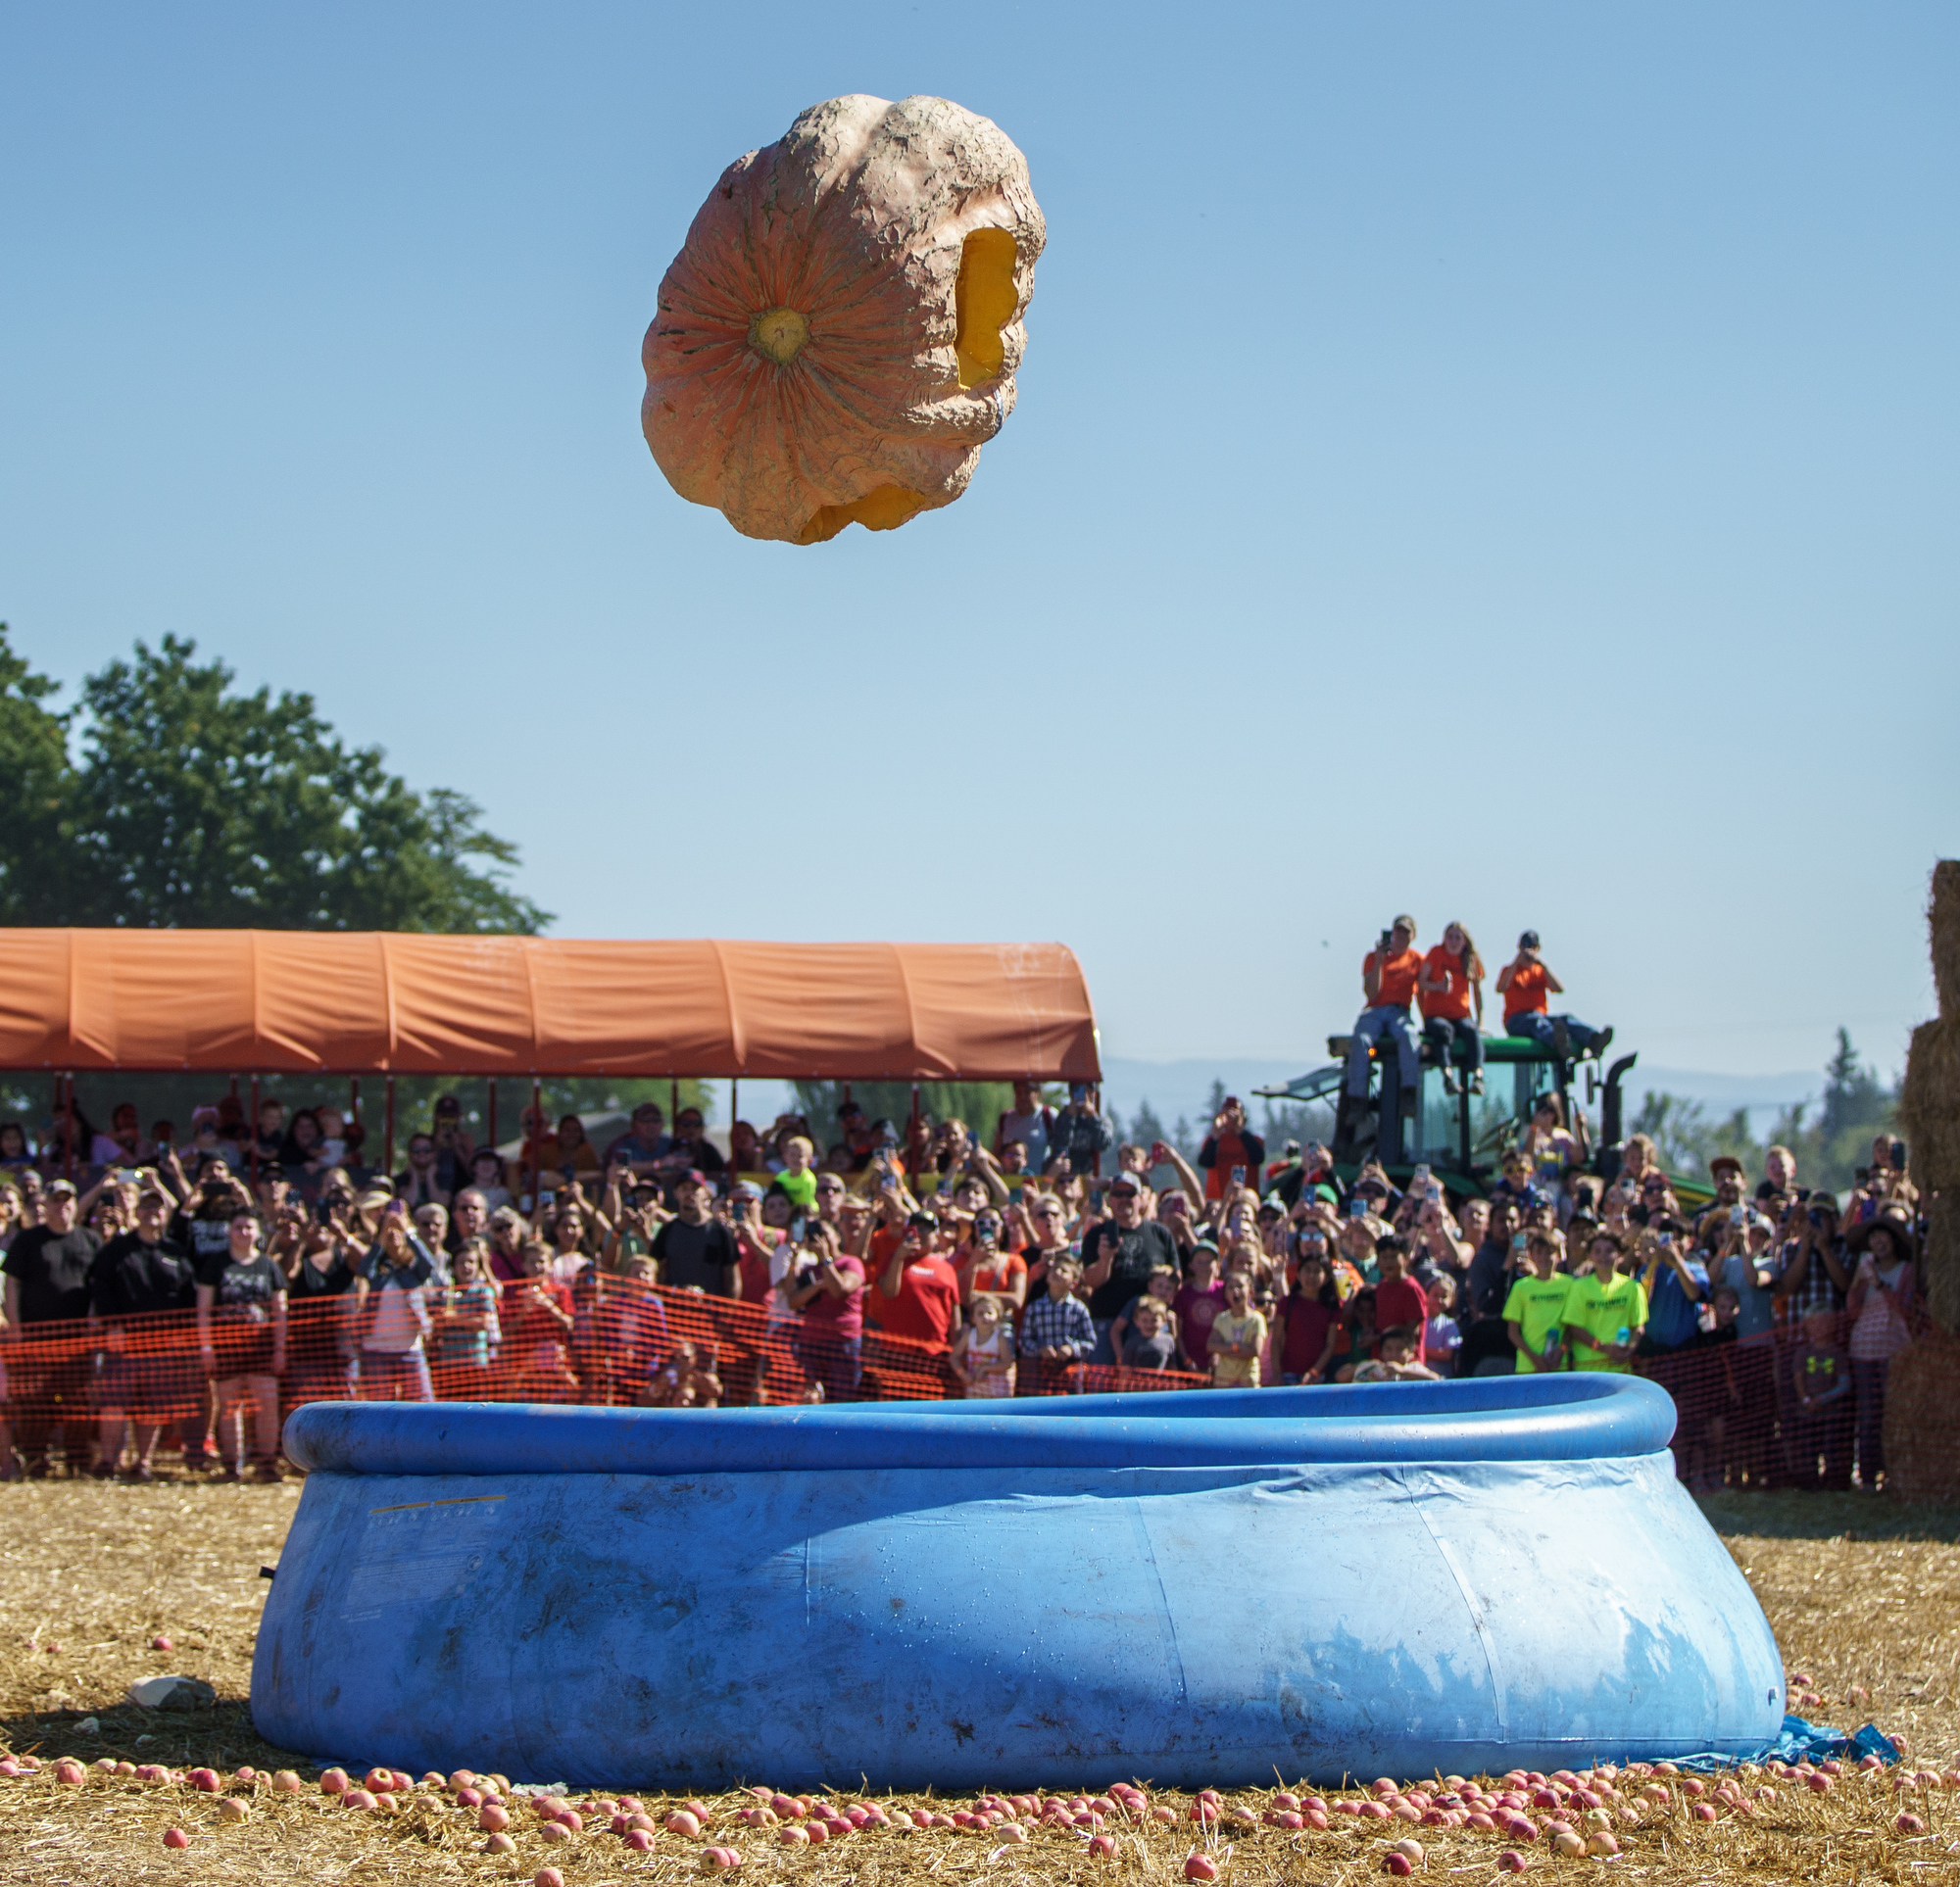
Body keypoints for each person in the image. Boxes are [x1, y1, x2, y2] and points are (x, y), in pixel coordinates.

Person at [87, 1185, 196, 1480]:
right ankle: (109, 1462)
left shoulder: (174, 1252)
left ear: (165, 1214)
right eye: (146, 1207)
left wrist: (181, 1335)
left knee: (153, 1404)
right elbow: (102, 1288)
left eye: (158, 1207)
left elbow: (188, 1295)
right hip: (123, 1342)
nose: (152, 1213)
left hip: (162, 1344)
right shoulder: (116, 1251)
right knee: (114, 1402)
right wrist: (111, 1327)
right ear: (136, 1213)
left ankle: (143, 1462)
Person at [1, 1179, 100, 1475]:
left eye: (67, 1199)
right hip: (35, 1336)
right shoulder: (28, 1240)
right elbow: (12, 1284)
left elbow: (98, 1286)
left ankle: (77, 1462)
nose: (63, 1205)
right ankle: (36, 1460)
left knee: (77, 1401)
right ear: (45, 1205)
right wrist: (16, 1326)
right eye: (56, 1200)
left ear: (75, 1204)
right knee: (33, 1401)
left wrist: (95, 1321)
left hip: (76, 1339)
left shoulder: (89, 1240)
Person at [194, 1207, 287, 1479]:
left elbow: (281, 1310)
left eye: (249, 1227)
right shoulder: (215, 1264)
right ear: (229, 1231)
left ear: (258, 1233)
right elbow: (204, 1309)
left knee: (267, 1406)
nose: (244, 1232)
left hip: (262, 1349)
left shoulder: (268, 1265)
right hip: (226, 1349)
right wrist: (206, 1346)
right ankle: (232, 1465)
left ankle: (267, 1464)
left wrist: (280, 1349)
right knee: (230, 1408)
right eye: (238, 1227)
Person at [1845, 1207, 1917, 1492]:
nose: (1878, 1242)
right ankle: (1867, 1475)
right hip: (1863, 1350)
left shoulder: (1907, 1270)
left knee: (1893, 1413)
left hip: (1895, 1351)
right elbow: (1852, 1311)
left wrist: (1878, 1283)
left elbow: (1907, 1308)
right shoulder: (1864, 1270)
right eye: (1873, 1237)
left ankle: (1894, 1474)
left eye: (1883, 1236)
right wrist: (1860, 1281)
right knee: (1868, 1414)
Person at [1078, 1173, 1180, 1360]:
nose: (1124, 1198)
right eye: (1118, 1193)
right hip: (1107, 1321)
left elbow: (1176, 1279)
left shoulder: (1160, 1233)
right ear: (1109, 1200)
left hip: (1149, 1326)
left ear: (1141, 1198)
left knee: (1147, 1386)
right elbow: (1092, 1281)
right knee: (1102, 1386)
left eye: (1130, 1193)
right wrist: (1105, 1259)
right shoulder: (1097, 1234)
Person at [1344, 916, 1422, 1112]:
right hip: (1375, 1011)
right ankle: (1357, 1100)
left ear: (1413, 935)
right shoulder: (1373, 957)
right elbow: (1371, 993)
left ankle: (1408, 1093)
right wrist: (1379, 960)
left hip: (1400, 1012)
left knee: (1409, 1036)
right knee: (1361, 1040)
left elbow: (1424, 992)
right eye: (1398, 931)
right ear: (1391, 933)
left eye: (1406, 932)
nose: (1401, 936)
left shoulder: (1417, 960)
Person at [1494, 932, 1612, 1063]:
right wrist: (1516, 961)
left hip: (1540, 1016)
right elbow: (1500, 988)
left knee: (1565, 1019)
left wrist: (1543, 965)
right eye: (1526, 946)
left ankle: (1594, 1039)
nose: (1529, 950)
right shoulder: (1509, 970)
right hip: (1517, 1020)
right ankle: (1558, 1043)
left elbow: (1559, 989)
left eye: (1533, 946)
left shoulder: (1540, 971)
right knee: (1537, 1023)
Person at [358, 1204, 436, 1402]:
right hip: (376, 1352)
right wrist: (380, 1241)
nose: (395, 1233)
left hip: (411, 1350)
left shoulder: (413, 1269)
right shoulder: (378, 1269)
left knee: (423, 1406)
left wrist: (409, 1231)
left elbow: (429, 1264)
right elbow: (364, 1271)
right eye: (389, 1228)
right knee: (380, 1411)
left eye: (398, 1228)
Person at [784, 1219, 864, 1401]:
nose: (820, 1239)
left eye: (825, 1234)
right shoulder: (809, 1269)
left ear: (837, 1237)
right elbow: (793, 1301)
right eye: (815, 1235)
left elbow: (839, 1291)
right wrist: (795, 1259)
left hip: (843, 1343)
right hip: (812, 1344)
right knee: (811, 1399)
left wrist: (826, 1259)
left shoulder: (850, 1263)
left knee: (843, 1401)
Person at [871, 1210, 962, 1348]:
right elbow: (889, 1292)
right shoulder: (892, 1258)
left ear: (936, 1235)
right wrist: (899, 1257)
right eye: (915, 1228)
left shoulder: (947, 1269)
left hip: (934, 1349)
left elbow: (955, 1315)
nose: (920, 1233)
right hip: (897, 1349)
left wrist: (956, 1351)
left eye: (926, 1229)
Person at [1560, 1232, 1647, 1372]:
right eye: (1597, 1251)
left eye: (1609, 1251)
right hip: (1587, 1371)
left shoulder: (1633, 1287)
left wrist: (1628, 1351)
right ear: (1590, 1256)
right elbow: (1574, 1328)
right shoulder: (1579, 1287)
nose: (1603, 1256)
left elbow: (1638, 1328)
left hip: (1620, 1370)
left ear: (1620, 1255)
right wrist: (1604, 1348)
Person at [1788, 1306, 1853, 1492]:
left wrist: (1822, 1400)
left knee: (1831, 1449)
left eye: (1823, 1323)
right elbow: (1798, 1377)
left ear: (1833, 1325)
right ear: (1806, 1326)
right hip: (1807, 1414)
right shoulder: (1803, 1352)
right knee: (1808, 1450)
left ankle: (1833, 1483)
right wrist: (1806, 1400)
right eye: (1813, 1323)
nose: (1818, 1327)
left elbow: (1845, 1384)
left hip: (1831, 1415)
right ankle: (1810, 1484)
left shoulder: (1837, 1354)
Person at [1419, 921, 1486, 1096]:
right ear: (1444, 939)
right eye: (1450, 937)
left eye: (1458, 937)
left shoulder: (1470, 959)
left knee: (1471, 1031)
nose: (1454, 941)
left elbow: (1477, 994)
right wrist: (1439, 986)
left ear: (1465, 941)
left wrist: (1480, 1022)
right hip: (1436, 1015)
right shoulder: (1436, 953)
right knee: (1443, 1030)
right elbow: (1421, 982)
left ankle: (1478, 1076)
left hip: (1461, 1015)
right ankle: (1447, 1076)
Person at [651, 1173, 740, 1296]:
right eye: (684, 1189)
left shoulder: (720, 1232)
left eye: (694, 1189)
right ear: (675, 1193)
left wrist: (727, 1312)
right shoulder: (667, 1231)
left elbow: (732, 1280)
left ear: (704, 1193)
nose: (689, 1193)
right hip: (674, 1310)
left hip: (709, 1310)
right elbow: (655, 1271)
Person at [1017, 1253, 1093, 1385]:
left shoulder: (1079, 1309)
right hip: (1040, 1373)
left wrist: (1071, 1349)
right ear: (1047, 1278)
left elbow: (1089, 1342)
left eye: (1064, 1271)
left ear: (1074, 1283)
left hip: (1070, 1374)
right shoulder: (1034, 1308)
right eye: (1054, 1269)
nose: (1057, 1272)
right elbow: (1024, 1340)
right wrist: (1040, 1350)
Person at [1502, 1234, 1572, 1374]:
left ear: (1558, 1255)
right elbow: (1513, 1332)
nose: (1544, 1258)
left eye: (1549, 1253)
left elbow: (1572, 1326)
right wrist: (1535, 1359)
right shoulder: (1521, 1287)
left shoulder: (1569, 1284)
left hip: (1558, 1364)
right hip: (1528, 1366)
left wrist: (1561, 1350)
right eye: (1539, 1253)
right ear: (1531, 1256)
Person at [1196, 1097, 1266, 1204]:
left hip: (1246, 1201)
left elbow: (1258, 1157)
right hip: (1217, 1200)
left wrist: (1240, 1130)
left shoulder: (1254, 1140)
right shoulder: (1214, 1140)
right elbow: (1205, 1161)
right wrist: (1216, 1132)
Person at [951, 1291, 1017, 1397]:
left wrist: (985, 1368)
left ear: (998, 1316)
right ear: (973, 1318)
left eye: (989, 1313)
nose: (985, 1317)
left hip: (996, 1395)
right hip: (974, 1393)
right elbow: (954, 1357)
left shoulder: (999, 1338)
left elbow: (1007, 1363)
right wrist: (962, 1374)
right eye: (980, 1313)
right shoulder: (969, 1336)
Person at [994, 1082, 1058, 1176]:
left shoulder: (1048, 1115)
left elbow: (1059, 1151)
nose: (1022, 1097)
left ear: (1037, 1093)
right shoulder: (1006, 1118)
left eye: (1027, 1092)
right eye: (1018, 1093)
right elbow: (996, 1152)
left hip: (1039, 1181)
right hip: (1009, 1181)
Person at [1351, 1325, 1440, 1382]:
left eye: (1399, 1349)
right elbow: (1340, 1376)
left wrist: (1402, 1371)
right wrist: (1365, 1367)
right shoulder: (1375, 1368)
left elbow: (1436, 1379)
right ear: (1381, 1352)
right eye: (1388, 1349)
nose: (1393, 1354)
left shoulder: (1413, 1368)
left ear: (1411, 1353)